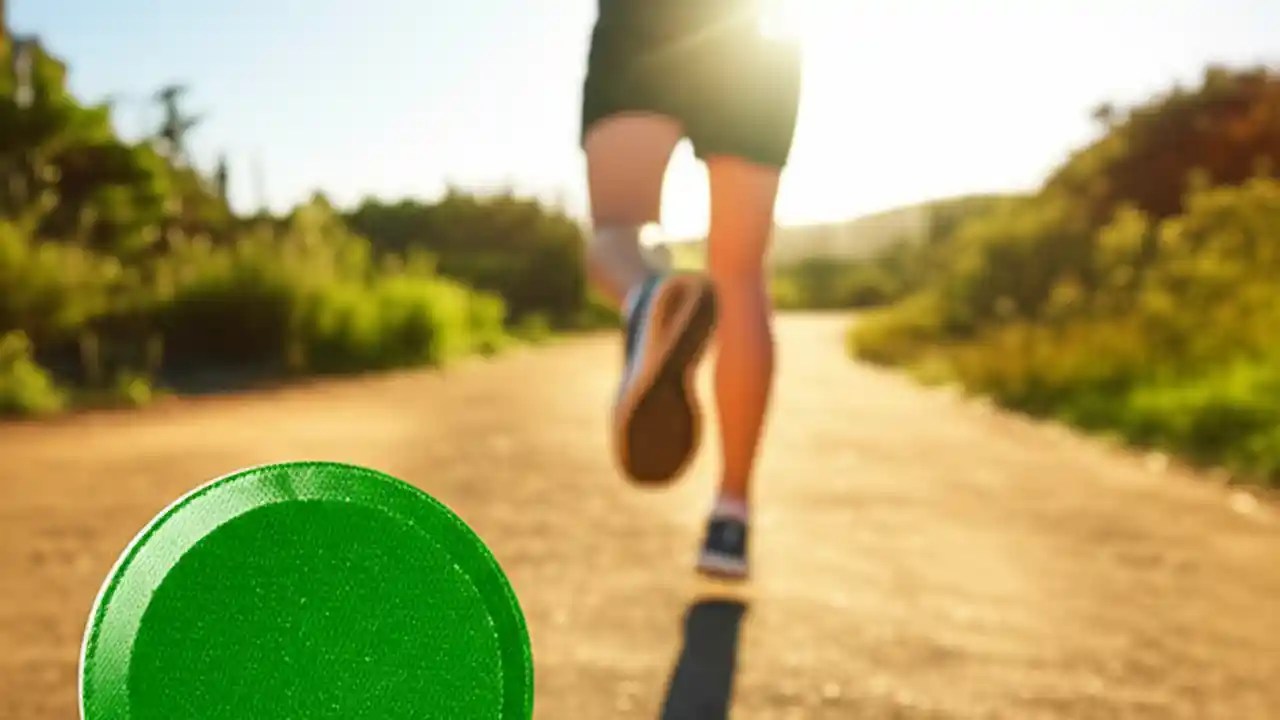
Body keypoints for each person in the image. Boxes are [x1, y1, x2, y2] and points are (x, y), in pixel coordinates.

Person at [580, 0, 801, 579]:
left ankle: (645, 300)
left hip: (644, 20)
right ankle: (730, 516)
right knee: (742, 275)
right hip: (755, 31)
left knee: (617, 232)